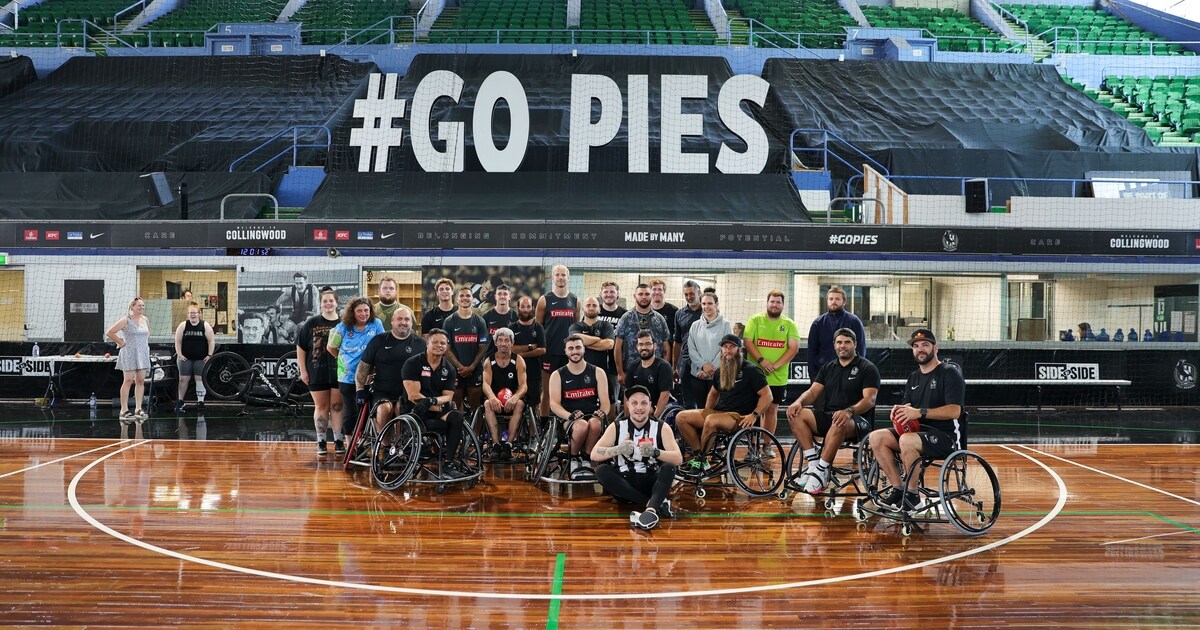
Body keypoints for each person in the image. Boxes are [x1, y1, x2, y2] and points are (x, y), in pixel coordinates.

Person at [868, 329, 965, 511]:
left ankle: (912, 495)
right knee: (876, 437)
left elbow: (954, 411)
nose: (920, 349)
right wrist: (899, 411)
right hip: (917, 434)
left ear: (935, 348)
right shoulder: (913, 377)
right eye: (916, 346)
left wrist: (919, 412)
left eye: (925, 345)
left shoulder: (949, 373)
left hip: (945, 437)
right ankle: (898, 489)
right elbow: (908, 409)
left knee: (907, 440)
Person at [785, 328, 880, 494]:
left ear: (855, 344)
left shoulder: (867, 368)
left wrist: (849, 411)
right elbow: (813, 392)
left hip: (858, 420)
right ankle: (814, 464)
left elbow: (869, 400)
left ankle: (821, 470)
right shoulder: (828, 368)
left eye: (847, 342)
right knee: (796, 413)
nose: (843, 346)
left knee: (839, 420)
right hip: (831, 416)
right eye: (839, 342)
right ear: (834, 345)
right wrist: (798, 402)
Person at [591, 385, 684, 531]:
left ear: (650, 406)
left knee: (669, 467)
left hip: (651, 483)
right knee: (601, 470)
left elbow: (678, 458)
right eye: (634, 403)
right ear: (627, 405)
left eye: (643, 403)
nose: (639, 408)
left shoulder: (661, 427)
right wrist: (618, 449)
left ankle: (651, 509)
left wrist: (655, 452)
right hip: (625, 484)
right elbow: (594, 454)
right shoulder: (617, 426)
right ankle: (653, 505)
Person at [675, 334, 771, 472]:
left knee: (711, 420)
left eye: (732, 347)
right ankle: (699, 457)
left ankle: (701, 460)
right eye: (725, 347)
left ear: (740, 350)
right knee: (681, 417)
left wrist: (754, 415)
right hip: (720, 413)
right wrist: (706, 411)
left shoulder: (751, 370)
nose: (728, 350)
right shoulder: (720, 371)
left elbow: (767, 396)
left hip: (740, 417)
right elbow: (713, 393)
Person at [402, 328, 467, 473]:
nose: (439, 345)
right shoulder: (413, 363)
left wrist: (432, 401)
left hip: (435, 408)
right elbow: (414, 396)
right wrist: (438, 406)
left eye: (443, 343)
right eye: (435, 342)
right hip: (415, 412)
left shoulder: (449, 368)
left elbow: (448, 397)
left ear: (447, 346)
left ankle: (448, 463)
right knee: (424, 406)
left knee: (457, 417)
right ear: (427, 342)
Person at [743, 290, 800, 456]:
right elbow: (748, 342)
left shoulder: (789, 324)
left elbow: (794, 348)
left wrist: (775, 365)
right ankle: (752, 448)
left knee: (771, 410)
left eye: (778, 302)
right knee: (754, 410)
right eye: (772, 302)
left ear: (782, 305)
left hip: (777, 376)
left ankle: (767, 446)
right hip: (755, 376)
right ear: (767, 303)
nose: (774, 305)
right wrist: (762, 361)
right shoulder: (755, 319)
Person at [356, 306, 426, 436]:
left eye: (407, 319)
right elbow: (363, 367)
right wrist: (360, 390)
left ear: (411, 323)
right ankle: (385, 446)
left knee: (401, 409)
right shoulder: (379, 340)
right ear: (392, 321)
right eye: (399, 319)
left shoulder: (421, 344)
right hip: (382, 391)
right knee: (384, 409)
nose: (403, 322)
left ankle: (399, 447)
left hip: (408, 393)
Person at [548, 334, 610, 478]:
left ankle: (586, 459)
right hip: (568, 419)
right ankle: (573, 458)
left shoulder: (598, 372)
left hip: (591, 415)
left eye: (578, 348)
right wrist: (569, 416)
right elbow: (554, 404)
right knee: (581, 425)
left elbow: (606, 402)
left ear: (584, 349)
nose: (575, 351)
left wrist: (603, 412)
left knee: (595, 423)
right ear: (565, 351)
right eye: (571, 348)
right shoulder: (557, 374)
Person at [328, 296, 385, 449]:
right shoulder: (343, 327)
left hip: (369, 377)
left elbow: (382, 345)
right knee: (351, 412)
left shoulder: (376, 324)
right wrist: (343, 360)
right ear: (352, 313)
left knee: (367, 412)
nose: (363, 314)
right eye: (359, 311)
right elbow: (331, 348)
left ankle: (365, 445)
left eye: (366, 310)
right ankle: (350, 445)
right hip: (347, 377)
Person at [296, 288, 343, 456]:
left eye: (331, 300)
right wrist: (303, 370)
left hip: (339, 371)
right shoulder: (312, 322)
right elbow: (300, 347)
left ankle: (338, 441)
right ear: (320, 303)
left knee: (337, 406)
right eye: (325, 301)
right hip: (317, 371)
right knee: (321, 406)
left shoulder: (344, 323)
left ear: (337, 303)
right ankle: (321, 441)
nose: (328, 303)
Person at [536, 264, 580, 418]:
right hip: (550, 353)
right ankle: (544, 423)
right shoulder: (544, 300)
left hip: (569, 354)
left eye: (563, 275)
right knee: (547, 390)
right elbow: (538, 327)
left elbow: (576, 328)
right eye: (557, 275)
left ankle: (566, 422)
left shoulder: (575, 300)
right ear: (553, 278)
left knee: (568, 390)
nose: (560, 278)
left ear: (568, 278)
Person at [481, 327, 528, 460]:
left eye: (507, 340)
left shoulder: (518, 360)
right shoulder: (489, 361)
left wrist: (514, 397)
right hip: (495, 398)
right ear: (495, 343)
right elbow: (485, 384)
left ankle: (508, 444)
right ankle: (496, 444)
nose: (503, 343)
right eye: (500, 340)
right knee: (487, 403)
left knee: (519, 404)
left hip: (512, 399)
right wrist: (492, 398)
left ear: (512, 343)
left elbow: (524, 386)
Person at [807, 286, 867, 383]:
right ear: (827, 301)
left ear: (844, 301)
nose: (833, 301)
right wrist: (813, 377)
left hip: (847, 375)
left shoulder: (854, 321)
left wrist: (856, 373)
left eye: (837, 299)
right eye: (831, 299)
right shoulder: (818, 323)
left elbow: (861, 348)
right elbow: (811, 352)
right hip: (823, 375)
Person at [614, 283, 670, 385]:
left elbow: (666, 347)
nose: (644, 297)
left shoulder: (659, 318)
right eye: (640, 294)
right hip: (631, 371)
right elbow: (618, 346)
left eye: (647, 294)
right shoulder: (626, 318)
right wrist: (620, 372)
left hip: (656, 372)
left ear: (651, 296)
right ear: (635, 296)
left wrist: (665, 370)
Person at [443, 287, 489, 409]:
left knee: (476, 407)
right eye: (462, 296)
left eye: (468, 296)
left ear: (472, 299)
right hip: (455, 371)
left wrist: (472, 367)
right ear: (457, 300)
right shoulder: (449, 321)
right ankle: (459, 429)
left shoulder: (480, 321)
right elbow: (446, 349)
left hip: (475, 370)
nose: (465, 298)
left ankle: (475, 429)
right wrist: (460, 367)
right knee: (456, 407)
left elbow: (483, 347)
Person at [106, 297, 151, 422]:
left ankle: (138, 408)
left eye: (143, 305)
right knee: (128, 381)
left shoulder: (144, 320)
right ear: (132, 307)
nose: (141, 307)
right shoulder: (126, 320)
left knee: (140, 380)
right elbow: (110, 332)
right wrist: (121, 342)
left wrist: (143, 345)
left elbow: (148, 334)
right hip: (129, 352)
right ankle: (124, 410)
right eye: (139, 305)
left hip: (142, 353)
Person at [686, 292, 731, 410]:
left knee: (716, 411)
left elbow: (726, 349)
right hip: (698, 375)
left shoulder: (726, 324)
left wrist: (711, 369)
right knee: (701, 410)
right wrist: (702, 365)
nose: (707, 306)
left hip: (718, 376)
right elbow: (691, 348)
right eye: (704, 303)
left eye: (710, 303)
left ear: (717, 304)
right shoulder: (695, 325)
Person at [570, 297, 617, 406]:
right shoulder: (575, 326)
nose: (591, 308)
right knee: (581, 407)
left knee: (609, 408)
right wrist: (598, 339)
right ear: (583, 308)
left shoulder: (606, 325)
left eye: (594, 305)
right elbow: (574, 341)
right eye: (588, 305)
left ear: (599, 309)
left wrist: (584, 342)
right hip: (579, 375)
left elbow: (609, 344)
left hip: (603, 374)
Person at [173, 301, 214, 414]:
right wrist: (179, 354)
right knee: (183, 379)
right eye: (191, 313)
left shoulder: (205, 325)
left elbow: (211, 341)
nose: (193, 315)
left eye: (195, 313)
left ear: (199, 314)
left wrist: (209, 355)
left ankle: (200, 402)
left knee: (199, 379)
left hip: (201, 358)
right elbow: (178, 341)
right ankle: (180, 401)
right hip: (185, 358)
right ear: (188, 314)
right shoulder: (183, 325)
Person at [624, 330, 674, 420]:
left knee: (644, 409)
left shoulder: (663, 366)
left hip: (655, 407)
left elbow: (665, 395)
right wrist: (626, 418)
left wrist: (655, 419)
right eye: (641, 344)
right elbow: (627, 394)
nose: (644, 347)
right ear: (636, 347)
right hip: (637, 406)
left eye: (648, 344)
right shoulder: (633, 366)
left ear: (654, 346)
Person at [512, 296, 546, 416]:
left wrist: (521, 354)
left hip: (533, 373)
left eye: (528, 306)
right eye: (522, 306)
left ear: (533, 308)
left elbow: (542, 350)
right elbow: (511, 348)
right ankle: (515, 432)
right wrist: (531, 346)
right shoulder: (512, 327)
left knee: (534, 404)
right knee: (516, 404)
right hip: (514, 373)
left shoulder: (538, 328)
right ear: (518, 308)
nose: (525, 310)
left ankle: (533, 433)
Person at [673, 280, 704, 408]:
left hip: (704, 362)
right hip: (686, 362)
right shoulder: (680, 314)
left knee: (705, 401)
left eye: (691, 294)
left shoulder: (707, 311)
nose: (689, 297)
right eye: (686, 294)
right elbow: (677, 342)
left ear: (699, 292)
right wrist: (675, 367)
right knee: (688, 402)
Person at [482, 284, 519, 357]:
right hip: (490, 357)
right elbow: (482, 341)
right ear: (495, 297)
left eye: (505, 294)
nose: (502, 296)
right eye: (499, 294)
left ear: (509, 297)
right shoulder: (486, 316)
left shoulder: (516, 317)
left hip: (510, 358)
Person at [649, 278, 678, 365]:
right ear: (650, 292)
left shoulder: (674, 311)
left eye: (660, 289)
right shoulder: (643, 310)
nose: (657, 292)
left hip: (667, 356)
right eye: (654, 289)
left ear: (664, 292)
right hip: (648, 353)